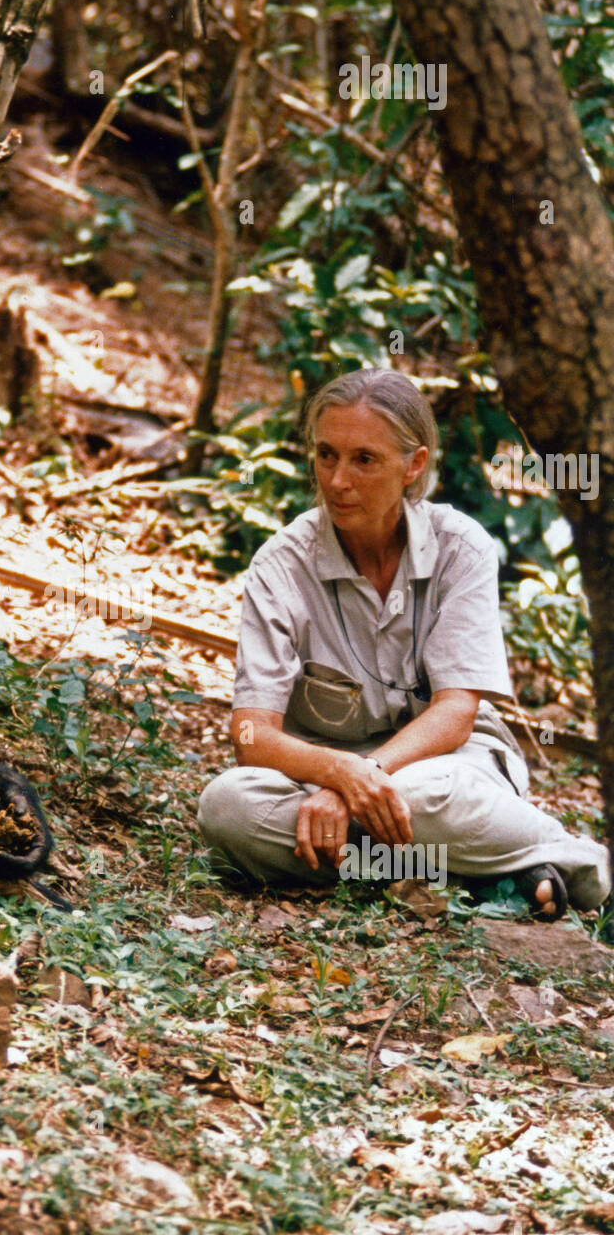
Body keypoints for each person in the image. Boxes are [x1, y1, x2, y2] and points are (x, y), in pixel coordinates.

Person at [198, 369, 610, 919]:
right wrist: (341, 774)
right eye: (326, 456)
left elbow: (456, 714)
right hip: (324, 774)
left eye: (363, 460)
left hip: (448, 767)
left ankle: (584, 863)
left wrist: (362, 782)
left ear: (413, 465)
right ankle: (473, 872)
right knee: (226, 807)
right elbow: (252, 736)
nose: (338, 480)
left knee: (418, 796)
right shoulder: (280, 565)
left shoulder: (459, 547)